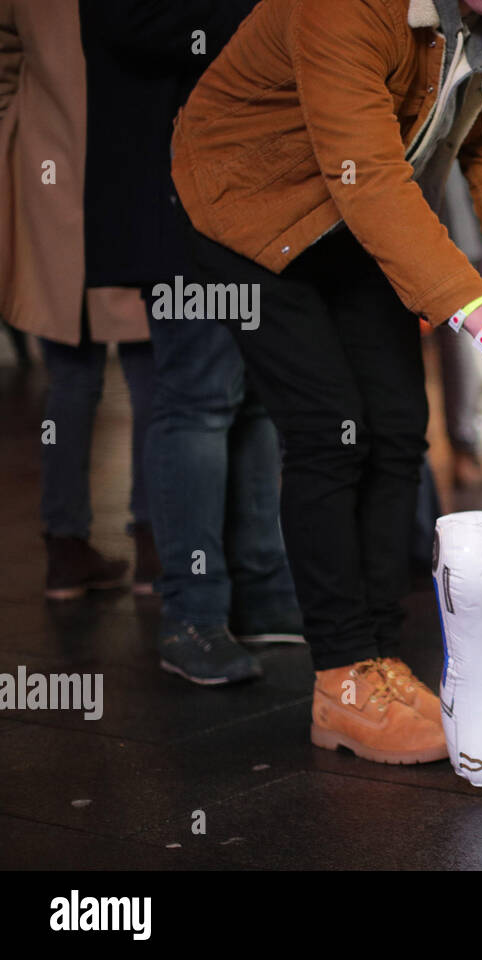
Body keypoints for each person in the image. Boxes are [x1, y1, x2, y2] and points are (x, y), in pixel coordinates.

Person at [171, 0, 482, 764]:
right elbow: (365, 174)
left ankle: (378, 661)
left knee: (399, 426)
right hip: (253, 206)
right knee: (330, 430)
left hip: (359, 216)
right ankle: (340, 681)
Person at [78, 0, 302, 687]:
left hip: (247, 188)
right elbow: (129, 21)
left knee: (256, 396)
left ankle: (261, 591)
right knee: (198, 398)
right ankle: (192, 615)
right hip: (172, 186)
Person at [1, 0, 157, 601]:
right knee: (153, 372)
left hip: (49, 164)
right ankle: (154, 543)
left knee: (71, 378)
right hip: (134, 164)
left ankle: (66, 548)